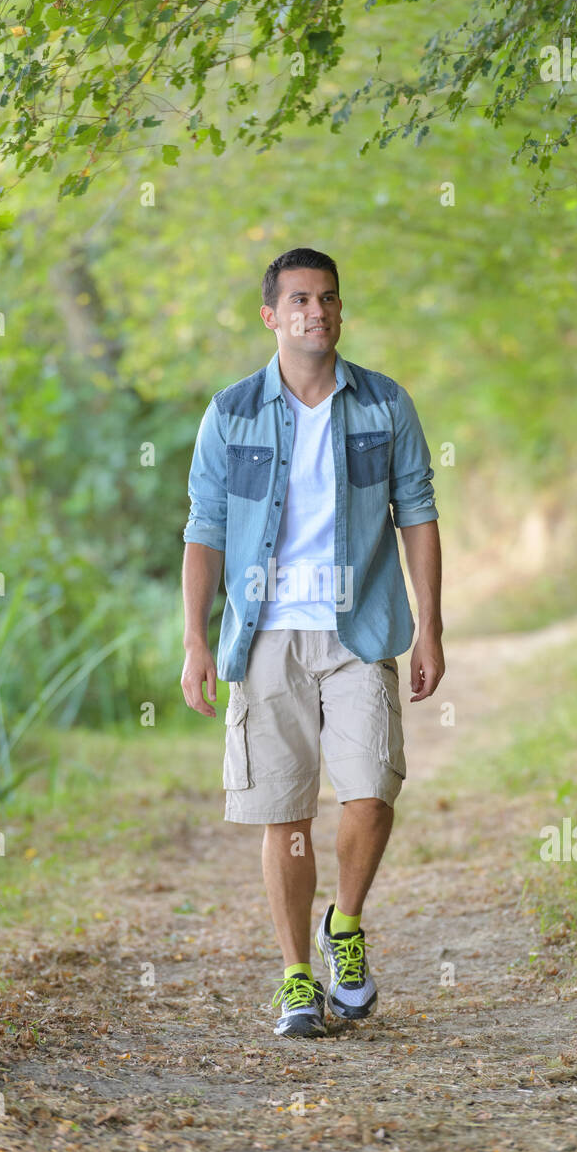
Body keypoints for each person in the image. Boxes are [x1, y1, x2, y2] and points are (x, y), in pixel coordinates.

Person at [180, 246, 445, 1038]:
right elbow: (205, 527)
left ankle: (347, 928)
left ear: (339, 310)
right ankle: (297, 978)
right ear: (271, 315)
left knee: (370, 793)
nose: (315, 313)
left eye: (327, 299)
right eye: (298, 301)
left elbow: (418, 514)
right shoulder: (230, 412)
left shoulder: (384, 404)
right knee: (286, 813)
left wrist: (431, 623)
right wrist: (195, 638)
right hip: (265, 636)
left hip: (358, 627)